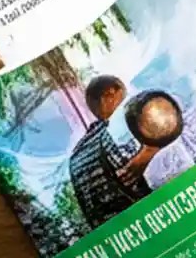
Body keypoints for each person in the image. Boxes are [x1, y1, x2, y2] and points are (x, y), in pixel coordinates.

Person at [68, 76, 163, 228]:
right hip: (153, 219)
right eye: (125, 95)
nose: (129, 102)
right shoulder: (123, 125)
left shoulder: (76, 157)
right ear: (110, 93)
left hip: (119, 234)